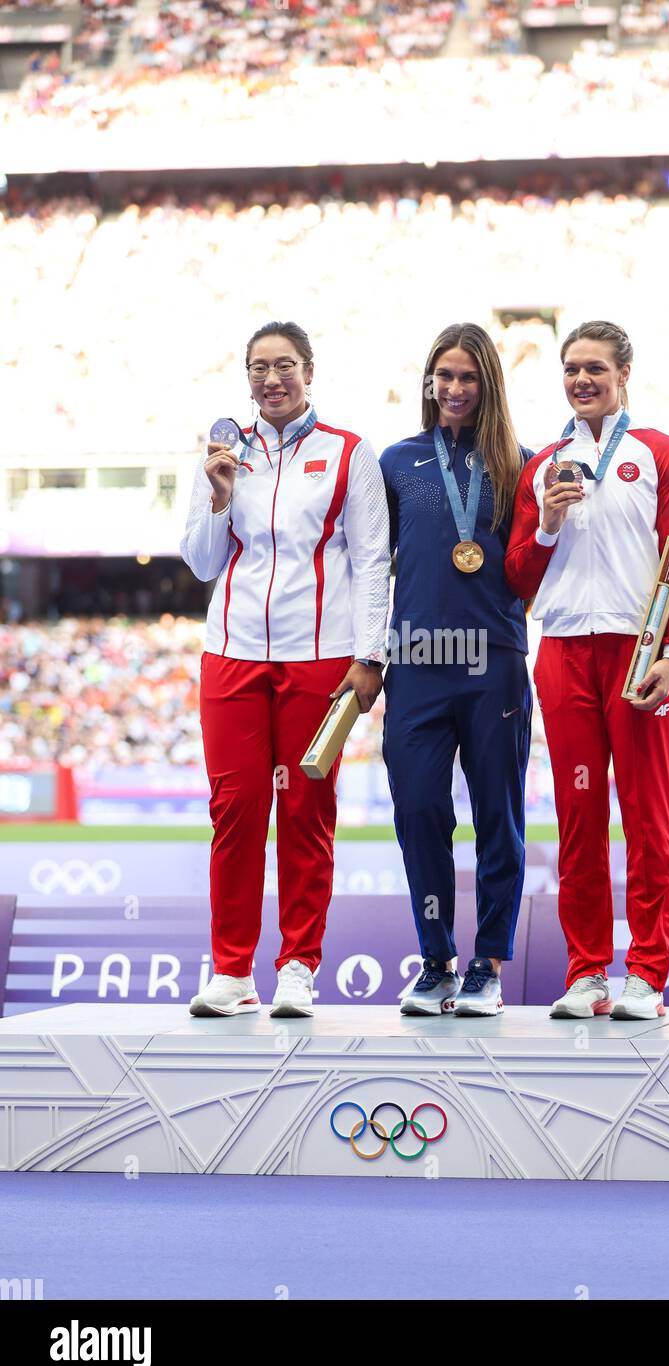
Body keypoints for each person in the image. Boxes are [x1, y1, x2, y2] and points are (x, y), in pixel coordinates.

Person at [180, 320, 390, 1018]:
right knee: (235, 811)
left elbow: (371, 562)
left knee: (306, 810)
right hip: (232, 653)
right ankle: (232, 970)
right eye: (259, 367)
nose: (272, 379)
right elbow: (204, 562)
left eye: (285, 365)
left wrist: (370, 655)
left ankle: (298, 967)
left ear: (309, 370)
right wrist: (215, 497)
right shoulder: (222, 453)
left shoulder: (348, 453)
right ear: (247, 377)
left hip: (318, 655)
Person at [504, 320, 669, 1021]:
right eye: (570, 369)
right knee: (578, 821)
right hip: (564, 653)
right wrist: (547, 523)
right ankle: (586, 972)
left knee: (648, 822)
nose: (581, 380)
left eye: (594, 368)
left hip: (636, 652)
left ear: (623, 374)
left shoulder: (657, 454)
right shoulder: (542, 465)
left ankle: (646, 974)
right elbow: (519, 577)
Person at [379, 323, 534, 1017]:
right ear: (428, 381)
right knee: (419, 813)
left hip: (493, 663)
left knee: (496, 817)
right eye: (444, 375)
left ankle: (488, 963)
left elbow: (537, 566)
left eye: (468, 376)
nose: (454, 388)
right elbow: (364, 566)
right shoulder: (395, 462)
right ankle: (436, 957)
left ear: (488, 385)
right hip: (414, 665)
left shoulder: (520, 465)